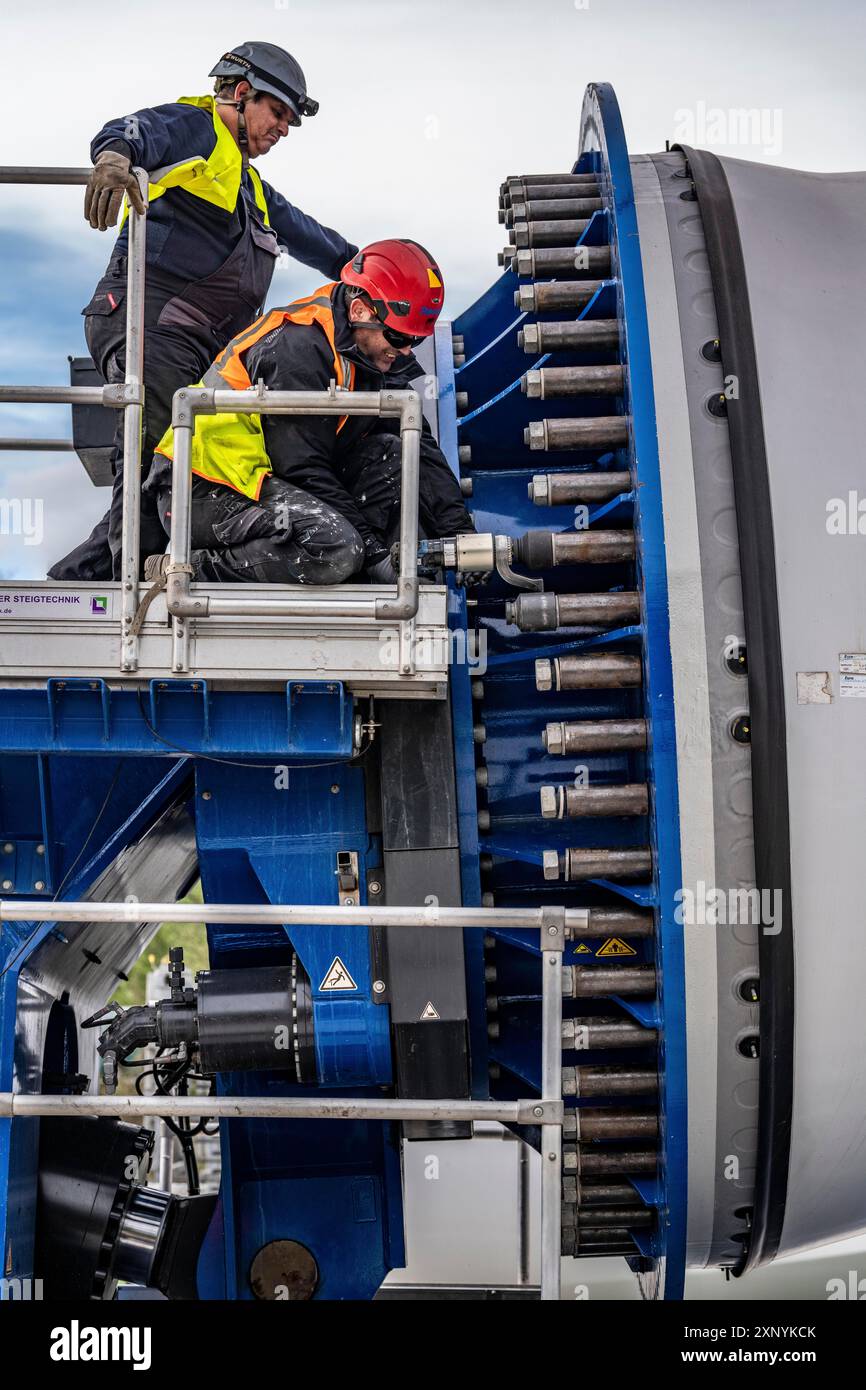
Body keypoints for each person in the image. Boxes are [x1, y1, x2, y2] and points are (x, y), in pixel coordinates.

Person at [49, 42, 357, 582]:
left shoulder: (248, 186)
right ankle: (132, 597)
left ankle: (75, 585)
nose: (282, 128)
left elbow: (313, 238)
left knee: (168, 467)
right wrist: (115, 158)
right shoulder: (200, 127)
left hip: (187, 344)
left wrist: (363, 269)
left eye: (289, 119)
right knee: (157, 463)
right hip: (149, 323)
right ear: (241, 95)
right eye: (276, 113)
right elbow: (138, 129)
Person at [144, 239, 474, 585]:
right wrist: (375, 554)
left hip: (265, 479)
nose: (406, 351)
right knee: (336, 549)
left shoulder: (367, 350)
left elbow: (417, 446)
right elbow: (301, 466)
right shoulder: (297, 349)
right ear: (361, 310)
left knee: (394, 453)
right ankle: (185, 567)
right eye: (397, 337)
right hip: (203, 490)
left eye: (415, 341)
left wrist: (461, 535)